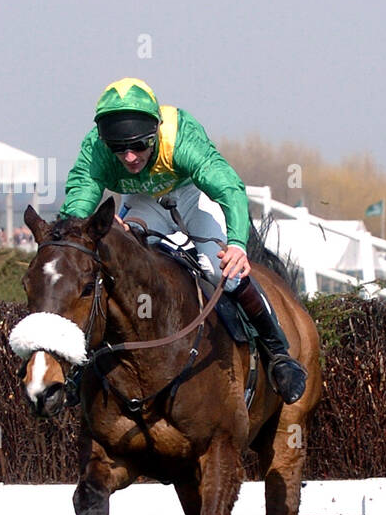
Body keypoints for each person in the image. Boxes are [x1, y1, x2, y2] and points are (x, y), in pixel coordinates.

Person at [59, 77, 307, 403]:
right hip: (143, 200)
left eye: (139, 145)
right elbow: (79, 201)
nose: (130, 157)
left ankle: (277, 353)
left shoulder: (180, 137)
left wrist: (237, 245)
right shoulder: (96, 147)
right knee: (116, 267)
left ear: (157, 131)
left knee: (220, 270)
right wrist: (87, 226)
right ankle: (82, 365)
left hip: (193, 195)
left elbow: (229, 189)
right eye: (119, 148)